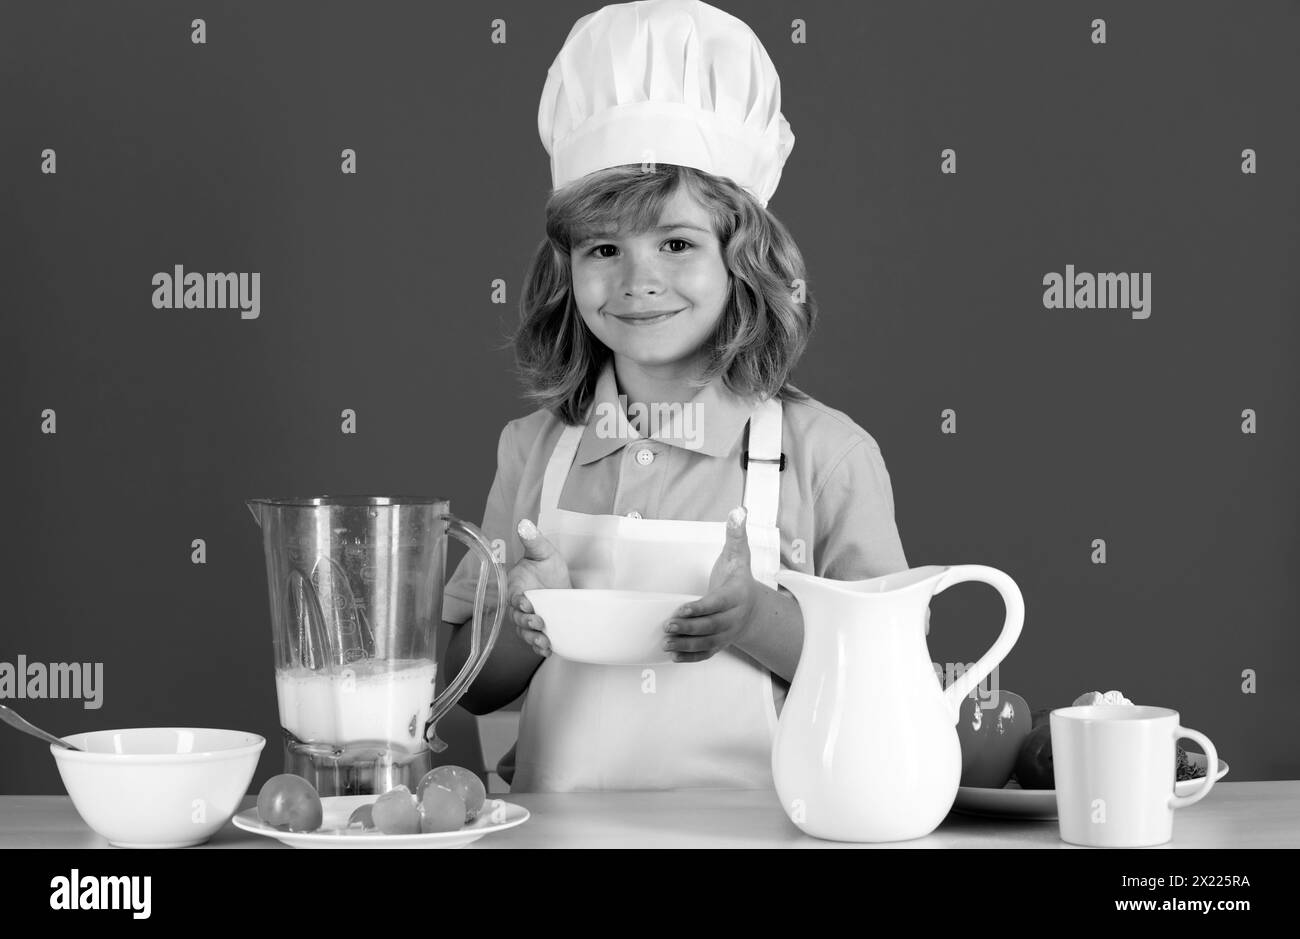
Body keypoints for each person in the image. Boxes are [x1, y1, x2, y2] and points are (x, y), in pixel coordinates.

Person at [443, 0, 910, 792]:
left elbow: (893, 682)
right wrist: (529, 623)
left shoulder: (828, 457)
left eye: (677, 243)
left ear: (746, 257)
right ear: (566, 269)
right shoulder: (533, 451)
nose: (637, 280)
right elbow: (465, 685)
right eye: (602, 248)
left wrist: (758, 619)